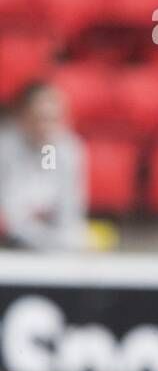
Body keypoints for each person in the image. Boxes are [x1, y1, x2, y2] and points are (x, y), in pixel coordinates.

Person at [0, 81, 87, 251]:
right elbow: (8, 211)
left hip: (52, 237)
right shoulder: (6, 147)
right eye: (39, 119)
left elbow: (69, 208)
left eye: (53, 120)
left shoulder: (64, 150)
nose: (46, 127)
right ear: (22, 117)